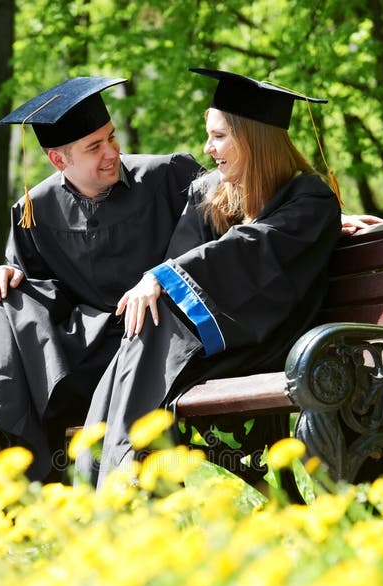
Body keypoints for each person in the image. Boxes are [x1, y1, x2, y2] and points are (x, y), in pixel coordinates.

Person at [0, 71, 380, 482]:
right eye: (94, 146)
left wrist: (328, 218)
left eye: (111, 138)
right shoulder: (35, 209)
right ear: (59, 160)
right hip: (95, 343)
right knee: (1, 296)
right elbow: (238, 208)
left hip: (199, 335)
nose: (111, 153)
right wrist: (7, 272)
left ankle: (110, 487)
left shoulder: (173, 177)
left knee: (149, 325)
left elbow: (252, 221)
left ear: (250, 138)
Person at [75, 68, 344, 485]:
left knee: (156, 319)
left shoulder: (309, 199)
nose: (207, 148)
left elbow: (252, 247)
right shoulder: (215, 194)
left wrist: (162, 277)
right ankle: (109, 476)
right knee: (150, 319)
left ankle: (120, 483)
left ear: (253, 137)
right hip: (216, 341)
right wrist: (160, 279)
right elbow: (185, 257)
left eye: (219, 136)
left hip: (269, 341)